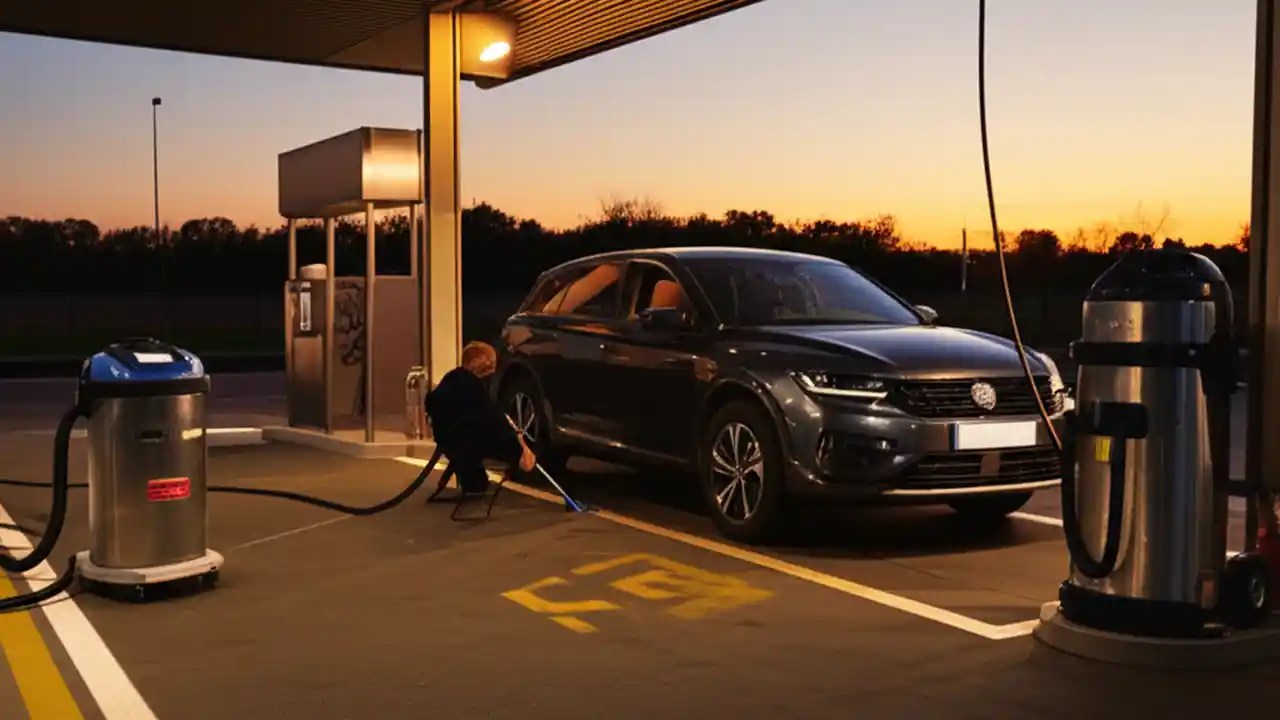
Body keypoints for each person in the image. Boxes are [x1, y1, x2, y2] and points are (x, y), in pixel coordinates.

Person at [426, 341, 536, 497]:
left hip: (448, 440)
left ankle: (474, 484)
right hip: (467, 441)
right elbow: (494, 420)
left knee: (475, 474)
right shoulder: (474, 389)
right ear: (476, 363)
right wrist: (520, 448)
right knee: (507, 447)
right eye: (489, 364)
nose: (492, 370)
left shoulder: (451, 380)